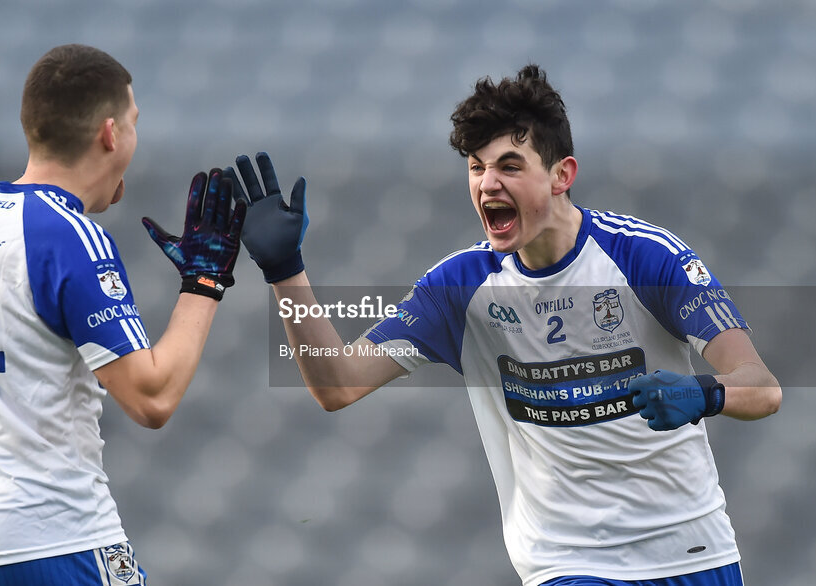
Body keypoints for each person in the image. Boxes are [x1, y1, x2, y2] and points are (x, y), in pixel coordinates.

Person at [224, 64, 781, 585]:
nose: (487, 183)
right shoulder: (459, 287)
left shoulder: (646, 257)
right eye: (476, 167)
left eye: (509, 166)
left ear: (563, 175)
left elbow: (762, 385)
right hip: (567, 559)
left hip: (693, 552)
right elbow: (337, 384)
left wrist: (704, 392)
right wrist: (285, 272)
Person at [0, 44, 245, 585]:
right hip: (51, 539)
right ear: (111, 134)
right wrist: (205, 282)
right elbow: (151, 397)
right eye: (135, 123)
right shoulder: (67, 235)